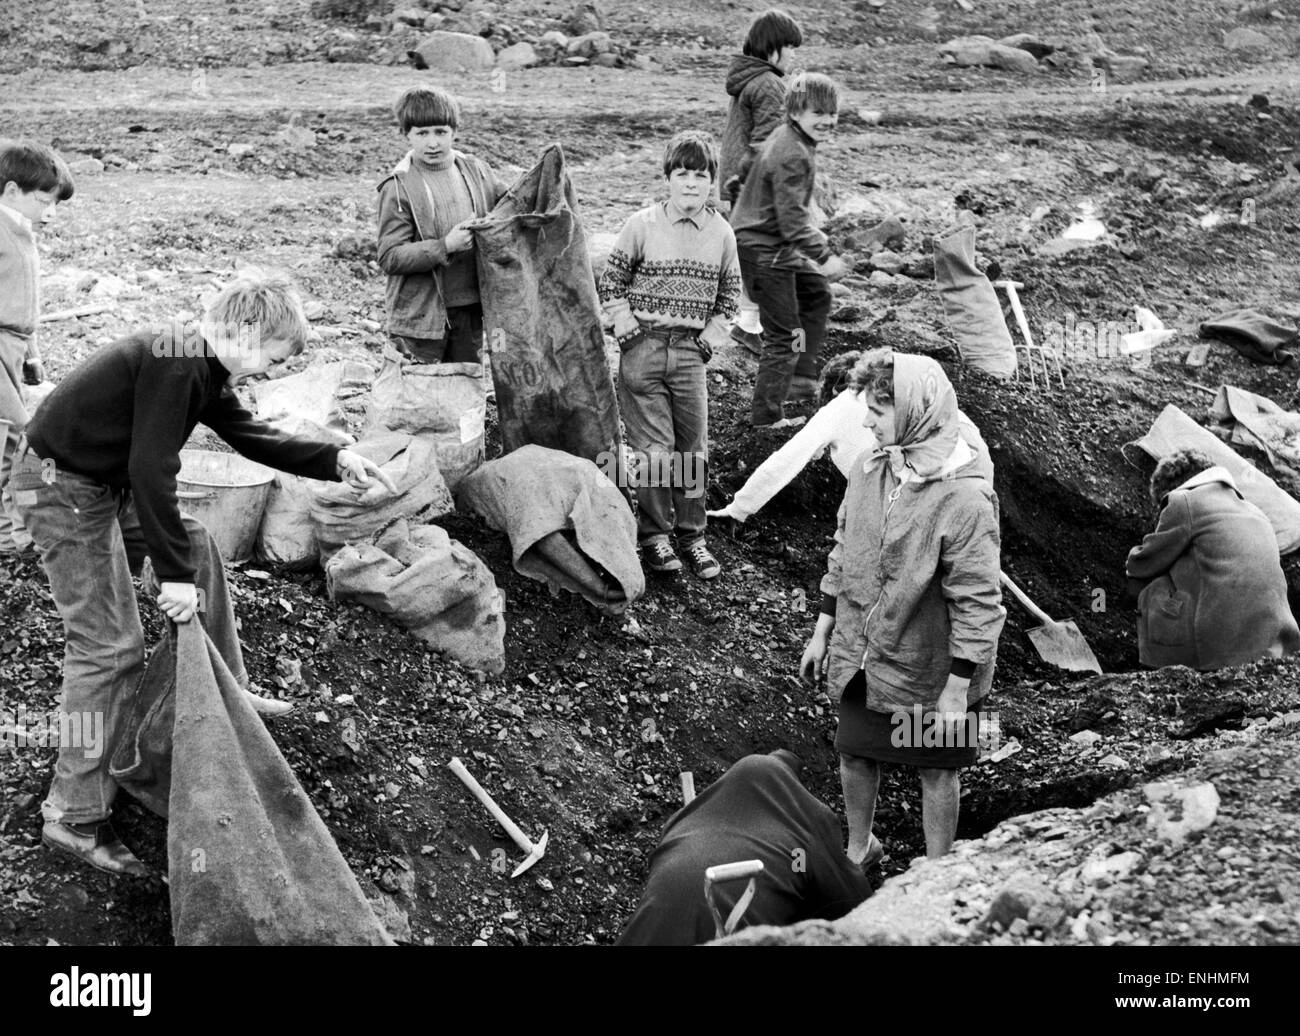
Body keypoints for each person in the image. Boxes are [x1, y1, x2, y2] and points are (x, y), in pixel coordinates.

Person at [10, 268, 397, 877]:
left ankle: (225, 689)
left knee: (195, 541)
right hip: (60, 486)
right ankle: (74, 814)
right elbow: (151, 472)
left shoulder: (200, 361)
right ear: (244, 329)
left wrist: (336, 456)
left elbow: (249, 436)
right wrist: (173, 580)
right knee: (108, 648)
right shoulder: (179, 361)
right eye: (272, 355)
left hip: (97, 480)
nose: (269, 371)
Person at [800, 349, 1004, 863]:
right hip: (865, 651)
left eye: (878, 411)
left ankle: (936, 870)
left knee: (937, 766)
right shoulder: (870, 471)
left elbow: (979, 604)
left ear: (914, 412)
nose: (866, 421)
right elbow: (845, 550)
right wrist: (823, 631)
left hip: (930, 668)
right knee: (855, 752)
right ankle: (860, 847)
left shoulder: (965, 498)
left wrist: (957, 688)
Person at [598, 131, 741, 579]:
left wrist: (705, 344)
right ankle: (656, 536)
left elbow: (731, 299)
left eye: (701, 176)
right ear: (668, 179)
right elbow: (611, 283)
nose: (692, 185)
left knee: (692, 450)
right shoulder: (641, 225)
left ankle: (694, 536)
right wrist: (628, 333)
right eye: (683, 175)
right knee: (655, 452)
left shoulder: (721, 233)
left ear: (712, 181)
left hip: (690, 354)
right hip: (644, 349)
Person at [616, 750, 871, 945]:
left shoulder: (682, 822)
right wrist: (859, 864)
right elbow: (856, 908)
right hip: (725, 933)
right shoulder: (805, 824)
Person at [708, 349, 993, 522]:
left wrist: (739, 508)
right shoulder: (904, 388)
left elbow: (785, 460)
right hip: (973, 463)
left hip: (935, 484)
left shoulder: (843, 404)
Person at [730, 72, 848, 427]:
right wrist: (825, 256)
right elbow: (793, 220)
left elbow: (747, 163)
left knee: (814, 291)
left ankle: (798, 375)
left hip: (763, 242)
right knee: (782, 335)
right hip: (765, 252)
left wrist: (744, 191)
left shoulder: (785, 137)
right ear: (796, 112)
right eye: (818, 113)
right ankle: (767, 417)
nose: (828, 121)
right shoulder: (793, 153)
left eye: (832, 113)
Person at [1126, 448, 1300, 670]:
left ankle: (1163, 668)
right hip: (1277, 641)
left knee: (1152, 585)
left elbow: (1143, 564)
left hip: (1223, 646)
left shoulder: (1183, 500)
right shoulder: (1254, 511)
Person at [376, 86, 511, 366]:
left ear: (454, 131)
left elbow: (509, 209)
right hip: (420, 315)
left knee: (465, 384)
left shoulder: (476, 171)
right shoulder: (398, 187)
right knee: (418, 392)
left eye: (440, 132)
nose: (432, 143)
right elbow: (390, 257)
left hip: (470, 309)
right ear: (406, 134)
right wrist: (444, 246)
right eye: (421, 133)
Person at [0, 140, 72, 557]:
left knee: (15, 441)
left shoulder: (22, 230)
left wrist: (32, 353)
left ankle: (16, 534)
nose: (51, 211)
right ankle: (12, 539)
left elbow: (25, 302)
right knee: (15, 440)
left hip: (13, 347)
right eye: (44, 201)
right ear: (12, 191)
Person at [720, 8, 803, 357]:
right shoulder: (769, 83)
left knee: (747, 254)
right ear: (773, 48)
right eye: (790, 47)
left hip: (736, 180)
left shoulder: (747, 80)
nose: (794, 55)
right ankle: (753, 325)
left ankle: (747, 322)